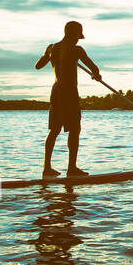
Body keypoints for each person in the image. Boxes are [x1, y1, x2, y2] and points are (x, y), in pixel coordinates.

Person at [34, 20, 101, 178]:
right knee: (75, 129)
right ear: (74, 34)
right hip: (69, 92)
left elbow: (38, 66)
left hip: (56, 91)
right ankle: (72, 168)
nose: (79, 39)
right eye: (78, 35)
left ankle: (47, 168)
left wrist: (47, 54)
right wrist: (96, 75)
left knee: (55, 130)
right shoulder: (77, 50)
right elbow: (94, 68)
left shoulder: (52, 48)